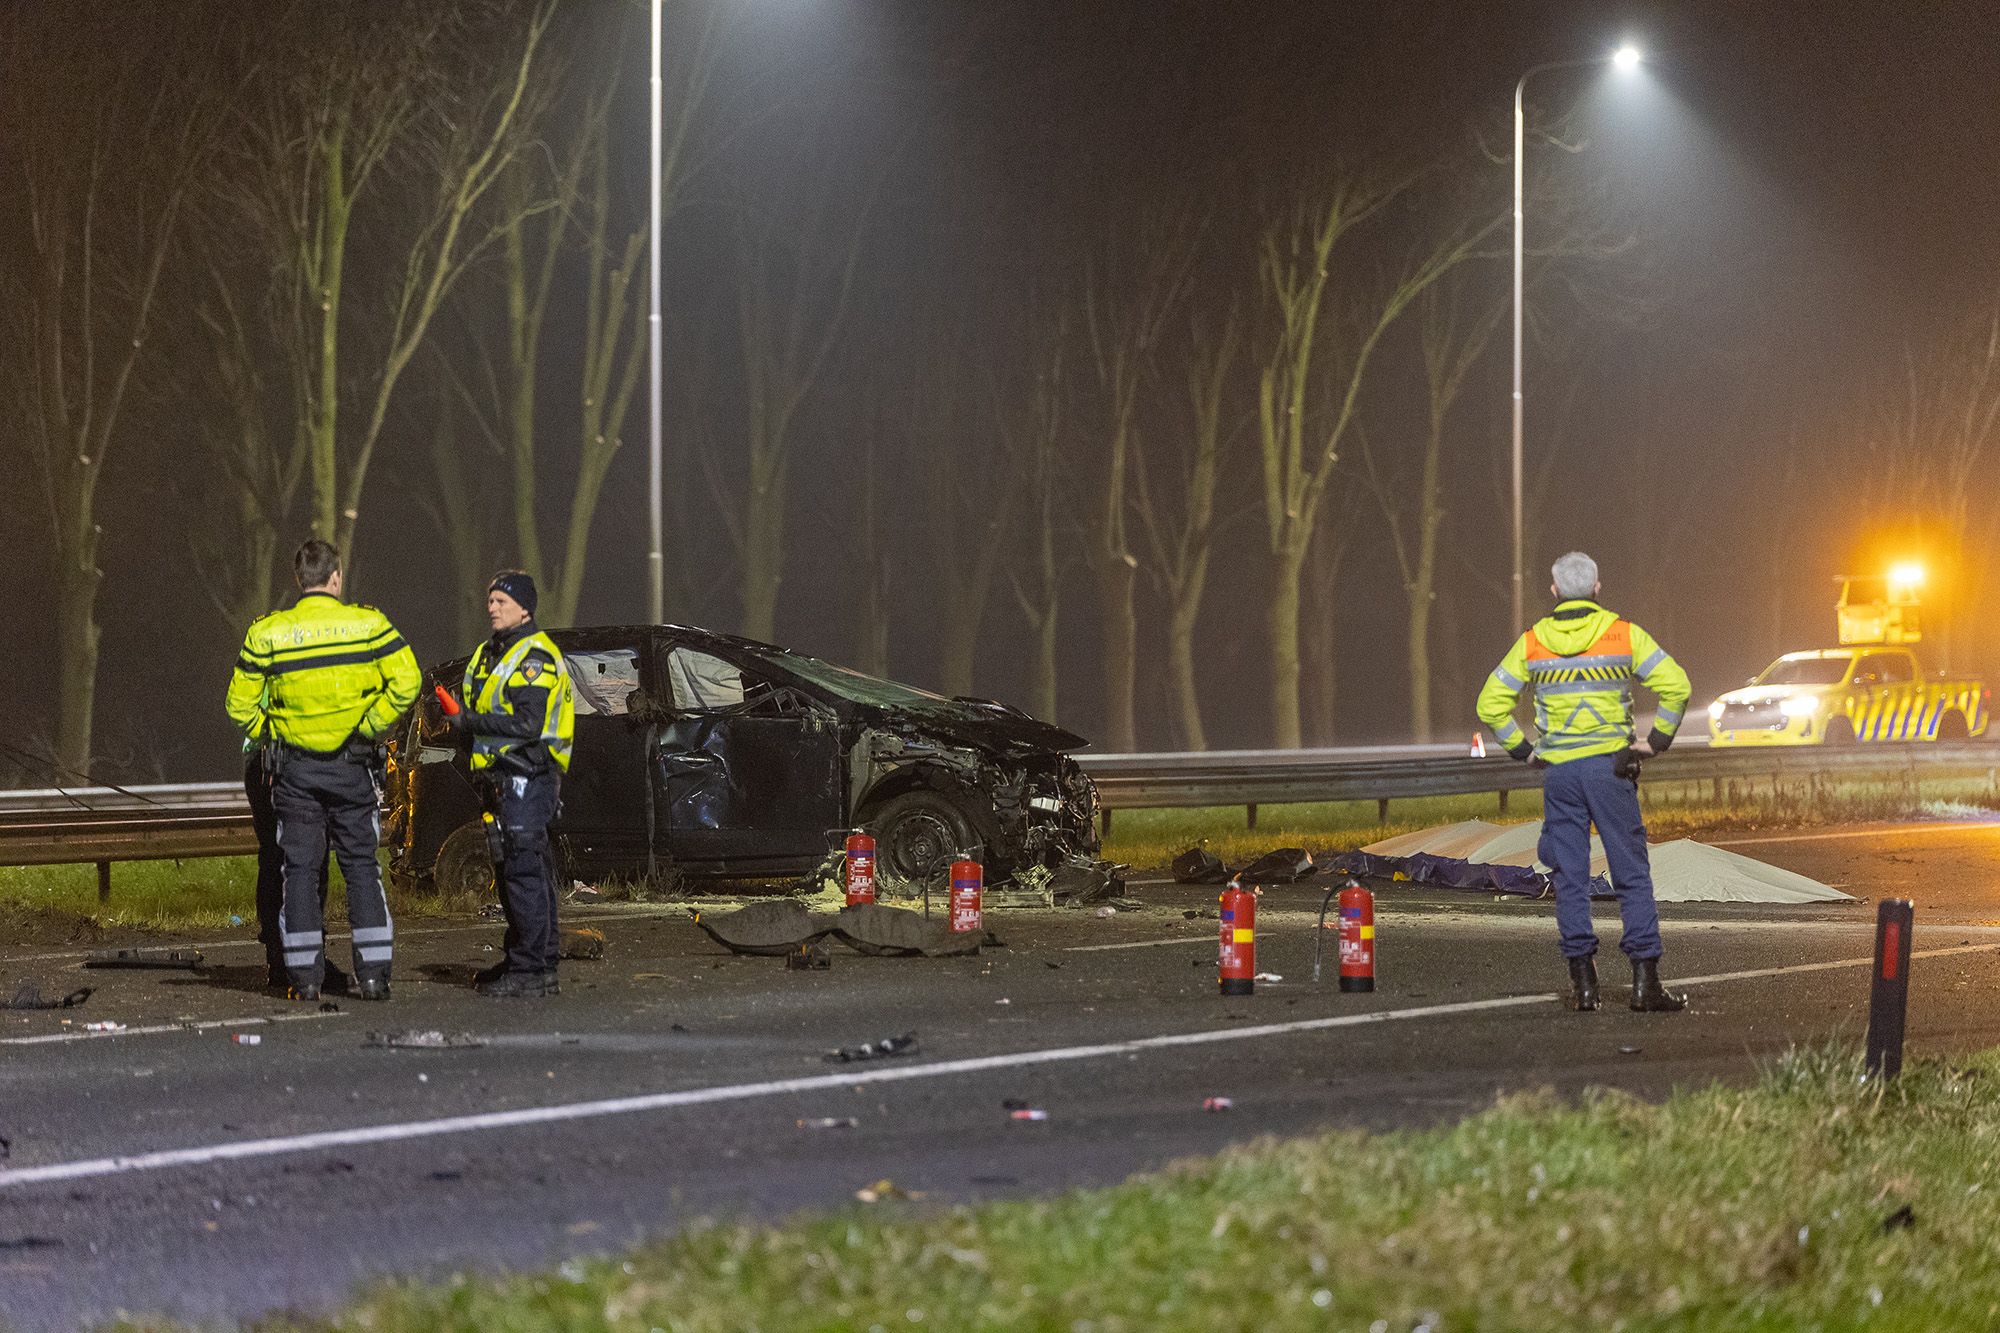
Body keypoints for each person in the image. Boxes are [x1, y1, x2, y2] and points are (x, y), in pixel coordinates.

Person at [1476, 551, 1693, 1013]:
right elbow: (1676, 686)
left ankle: (1584, 985)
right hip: (1610, 769)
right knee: (1631, 874)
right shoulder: (1624, 634)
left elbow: (1490, 704)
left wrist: (1523, 750)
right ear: (1597, 587)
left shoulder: (1532, 643)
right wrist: (1655, 742)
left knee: (1570, 877)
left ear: (1554, 591)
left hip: (1561, 775)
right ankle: (1645, 984)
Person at [226, 540, 420, 1001]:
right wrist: (368, 725)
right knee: (361, 868)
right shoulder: (369, 626)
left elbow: (238, 705)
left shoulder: (268, 633)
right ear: (336, 577)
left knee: (299, 871)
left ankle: (305, 980)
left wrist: (274, 732)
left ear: (299, 580)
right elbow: (408, 681)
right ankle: (373, 978)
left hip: (294, 773)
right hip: (352, 768)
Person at [442, 571, 575, 999]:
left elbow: (527, 723)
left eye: (502, 600)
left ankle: (531, 969)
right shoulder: (490, 654)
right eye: (490, 599)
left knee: (524, 873)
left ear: (525, 609)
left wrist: (468, 721)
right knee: (517, 871)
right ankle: (532, 961)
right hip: (502, 778)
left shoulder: (534, 656)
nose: (492, 607)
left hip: (527, 777)